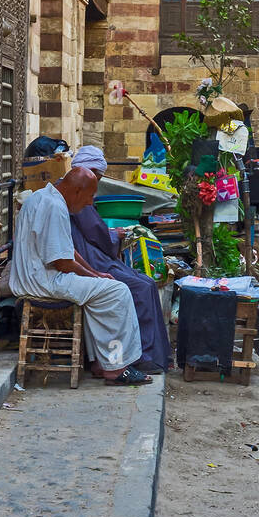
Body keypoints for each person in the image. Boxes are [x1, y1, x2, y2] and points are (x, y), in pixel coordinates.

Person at [10, 165, 149, 385]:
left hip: (36, 278)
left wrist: (96, 274)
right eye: (89, 196)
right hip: (44, 282)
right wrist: (94, 277)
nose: (89, 203)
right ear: (76, 191)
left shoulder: (42, 197)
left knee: (104, 289)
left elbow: (68, 250)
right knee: (118, 292)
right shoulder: (54, 206)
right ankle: (116, 368)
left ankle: (101, 362)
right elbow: (62, 262)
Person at [67, 145, 172, 373]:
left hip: (91, 257)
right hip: (90, 260)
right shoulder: (76, 195)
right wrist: (113, 237)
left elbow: (94, 231)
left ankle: (155, 355)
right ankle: (141, 355)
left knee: (146, 282)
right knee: (142, 286)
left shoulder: (77, 193)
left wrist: (111, 237)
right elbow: (95, 233)